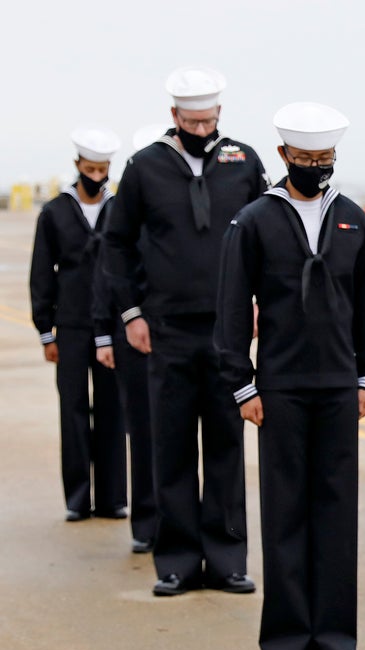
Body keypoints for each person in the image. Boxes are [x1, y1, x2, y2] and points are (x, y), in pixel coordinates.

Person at [215, 102, 365, 650]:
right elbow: (232, 308)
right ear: (284, 156)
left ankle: (335, 637)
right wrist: (242, 384)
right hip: (279, 388)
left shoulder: (353, 220)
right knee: (285, 514)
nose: (317, 167)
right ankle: (286, 640)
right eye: (307, 158)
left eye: (326, 158)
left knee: (337, 515)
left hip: (339, 388)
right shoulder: (255, 220)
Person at [102, 66, 269, 596]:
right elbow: (117, 243)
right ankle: (174, 561)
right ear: (173, 116)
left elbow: (267, 238)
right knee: (170, 445)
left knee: (226, 445)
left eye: (209, 120)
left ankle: (226, 561)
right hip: (166, 329)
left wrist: (263, 300)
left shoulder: (243, 162)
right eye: (191, 121)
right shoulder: (145, 167)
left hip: (227, 330)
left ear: (220, 113)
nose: (201, 130)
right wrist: (131, 314)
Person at [30, 127, 127, 522]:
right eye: (90, 168)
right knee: (72, 411)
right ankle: (77, 499)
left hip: (110, 326)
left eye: (103, 169)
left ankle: (112, 498)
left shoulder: (119, 209)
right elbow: (41, 274)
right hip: (69, 326)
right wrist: (45, 331)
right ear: (77, 166)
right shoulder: (54, 211)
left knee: (111, 411)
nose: (97, 175)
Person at [91, 125, 168, 554]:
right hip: (132, 330)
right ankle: (147, 524)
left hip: (176, 330)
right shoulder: (120, 208)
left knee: (176, 434)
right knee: (142, 431)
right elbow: (107, 277)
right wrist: (105, 333)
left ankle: (177, 521)